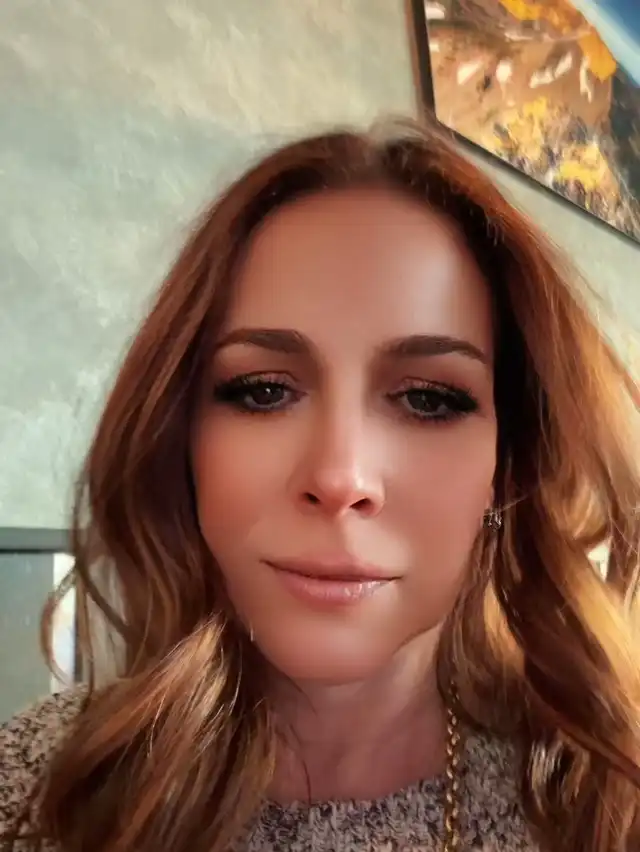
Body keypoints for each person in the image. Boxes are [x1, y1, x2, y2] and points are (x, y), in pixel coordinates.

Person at [1, 116, 640, 852]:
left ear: (508, 462)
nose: (340, 478)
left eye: (428, 399)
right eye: (264, 391)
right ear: (181, 438)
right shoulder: (37, 786)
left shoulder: (600, 804)